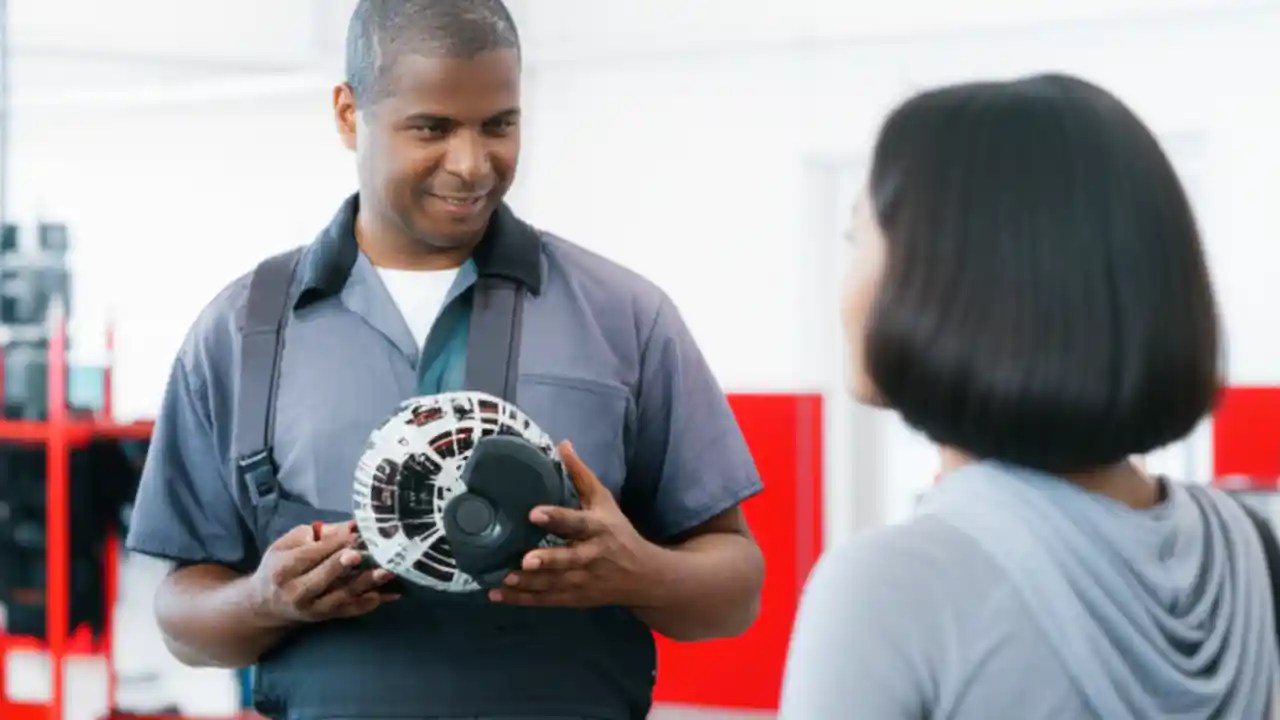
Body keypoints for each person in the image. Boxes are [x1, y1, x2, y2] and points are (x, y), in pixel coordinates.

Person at [124, 2, 765, 718]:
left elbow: (736, 590)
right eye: (432, 128)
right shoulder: (242, 332)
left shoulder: (624, 317)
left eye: (499, 125)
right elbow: (182, 618)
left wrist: (637, 573)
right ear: (348, 114)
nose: (471, 164)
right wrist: (264, 599)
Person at [779, 73, 1279, 719]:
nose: (844, 286)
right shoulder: (1249, 547)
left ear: (947, 280)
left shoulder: (888, 588)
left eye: (858, 241)